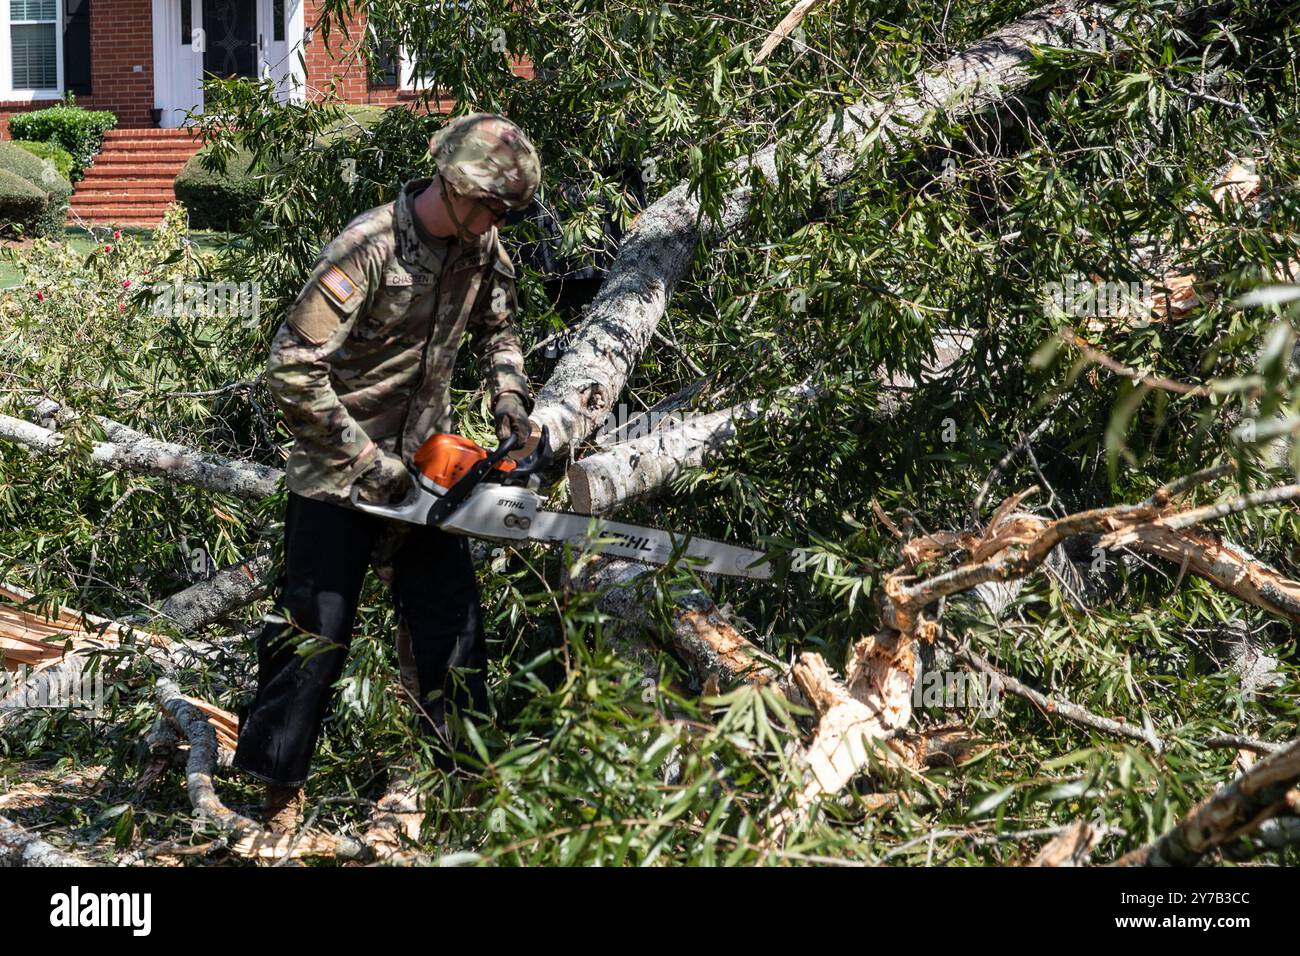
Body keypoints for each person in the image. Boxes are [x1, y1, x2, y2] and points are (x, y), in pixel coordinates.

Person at [231, 113, 542, 833]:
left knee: (453, 632)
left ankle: (462, 792)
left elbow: (501, 331)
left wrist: (509, 400)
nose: (499, 218)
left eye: (506, 210)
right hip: (338, 472)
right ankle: (279, 800)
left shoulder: (483, 247)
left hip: (425, 476)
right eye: (493, 203)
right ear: (457, 185)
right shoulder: (368, 248)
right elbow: (291, 369)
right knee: (312, 635)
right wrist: (367, 463)